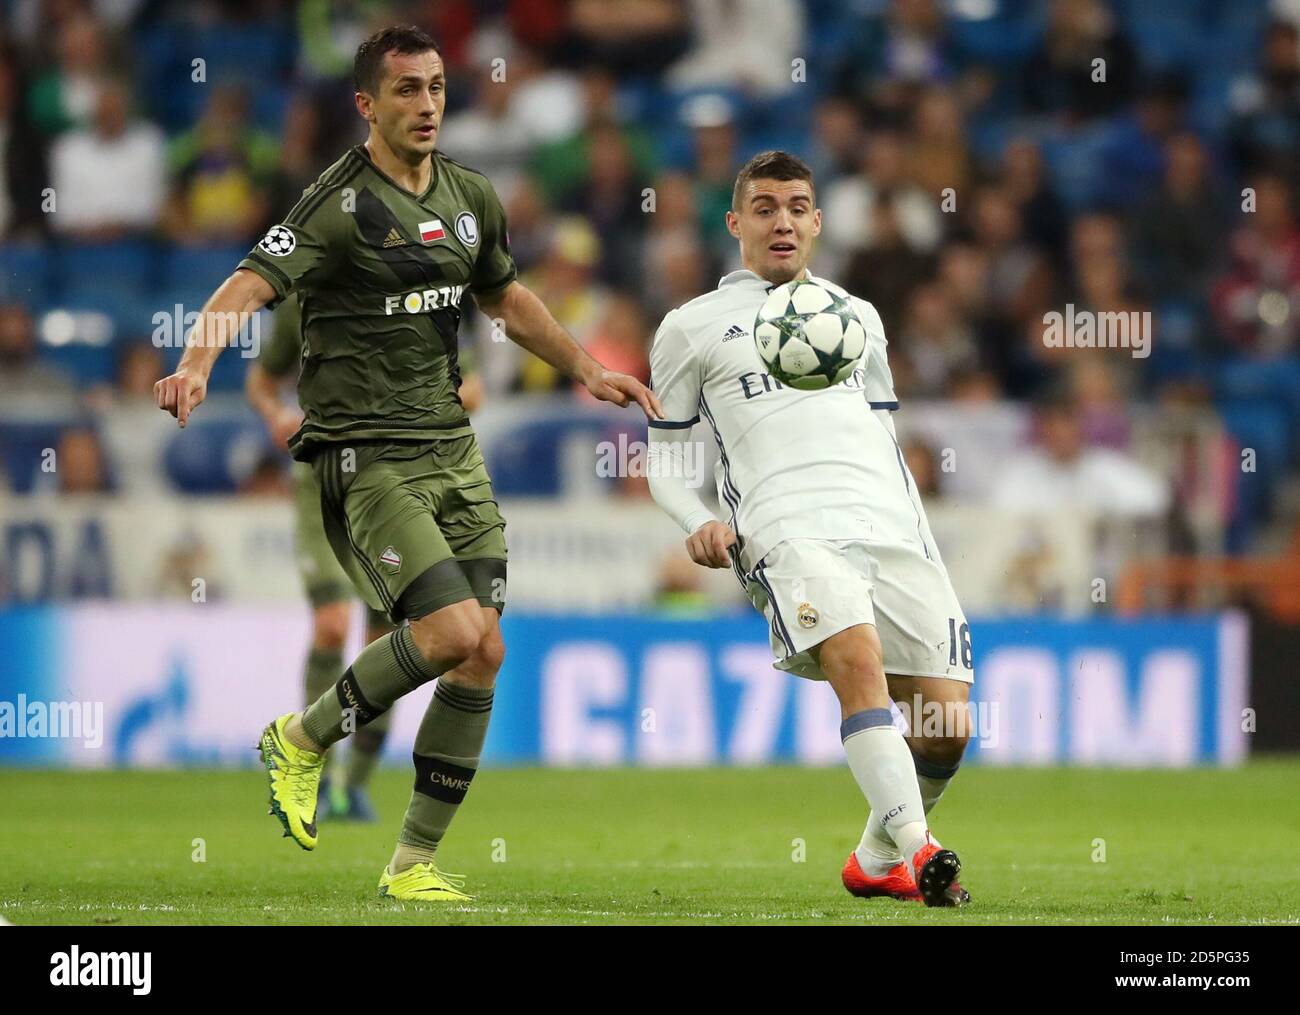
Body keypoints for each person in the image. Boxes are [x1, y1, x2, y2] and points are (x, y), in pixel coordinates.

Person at [155, 25, 661, 902]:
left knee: (484, 651)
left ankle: (410, 865)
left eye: (434, 87)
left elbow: (504, 294)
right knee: (453, 631)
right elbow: (247, 283)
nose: (426, 104)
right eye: (405, 91)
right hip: (366, 455)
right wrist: (197, 360)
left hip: (450, 449)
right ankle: (303, 738)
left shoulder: (470, 195)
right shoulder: (334, 206)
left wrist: (585, 367)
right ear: (367, 105)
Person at [645, 151, 970, 907]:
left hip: (889, 524)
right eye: (763, 207)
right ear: (735, 224)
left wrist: (919, 534)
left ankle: (874, 858)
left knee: (945, 725)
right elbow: (663, 462)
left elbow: (881, 434)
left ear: (819, 221)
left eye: (797, 205)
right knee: (855, 659)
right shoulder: (690, 327)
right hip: (784, 526)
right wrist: (698, 519)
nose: (782, 220)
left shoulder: (858, 317)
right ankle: (922, 850)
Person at [244, 293, 398, 822]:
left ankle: (353, 786)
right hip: (321, 479)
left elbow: (473, 388)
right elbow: (261, 381)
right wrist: (275, 414)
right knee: (332, 625)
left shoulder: (416, 290)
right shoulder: (305, 303)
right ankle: (312, 768)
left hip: (391, 481)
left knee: (387, 647)